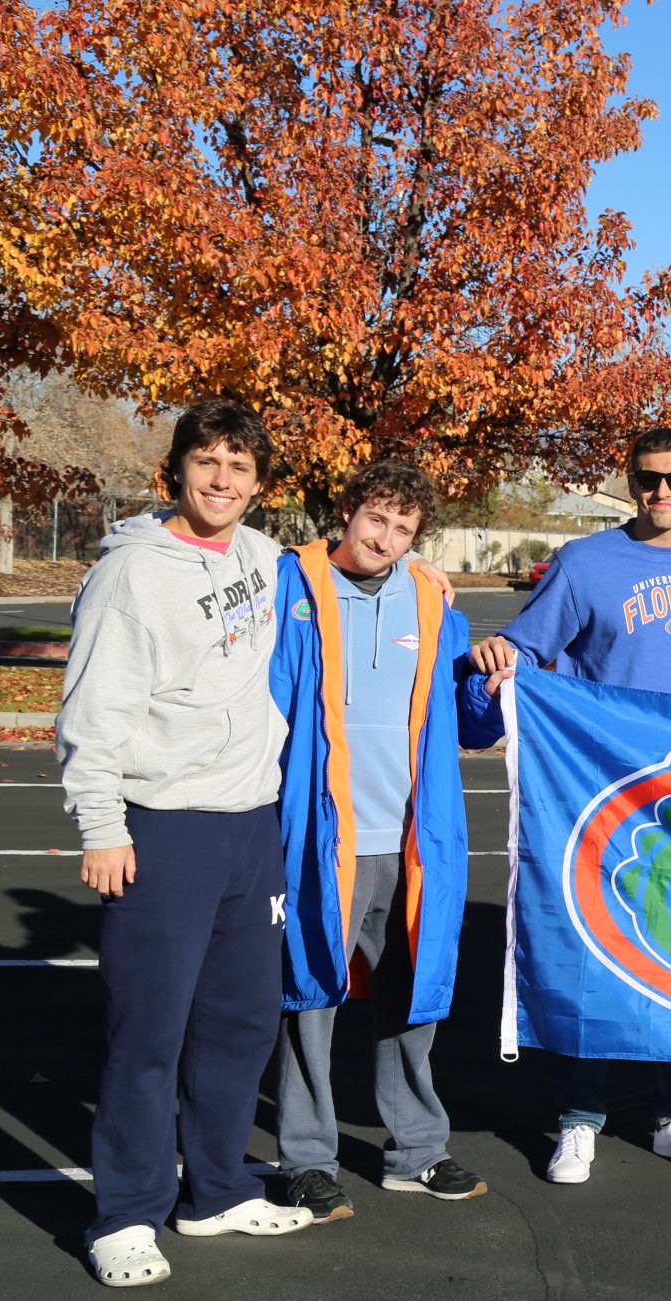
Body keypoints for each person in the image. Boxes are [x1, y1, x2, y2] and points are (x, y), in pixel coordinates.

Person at [60, 399, 314, 1287]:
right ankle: (125, 1215)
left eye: (239, 466)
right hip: (163, 824)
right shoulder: (131, 574)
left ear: (259, 483)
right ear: (176, 470)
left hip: (251, 822)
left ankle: (215, 1190)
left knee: (239, 1025)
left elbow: (351, 565)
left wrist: (418, 571)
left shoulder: (262, 555)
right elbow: (92, 710)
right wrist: (103, 825)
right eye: (206, 461)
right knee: (149, 1031)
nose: (221, 479)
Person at [471, 426, 671, 1183]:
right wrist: (496, 656)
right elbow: (527, 647)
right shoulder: (585, 562)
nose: (663, 491)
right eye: (648, 477)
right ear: (629, 482)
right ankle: (579, 1118)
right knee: (594, 952)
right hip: (603, 788)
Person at [270, 461, 506, 1221]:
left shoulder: (432, 600)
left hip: (412, 838)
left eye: (405, 529)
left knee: (413, 999)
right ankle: (307, 1160)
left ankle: (416, 1151)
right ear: (347, 510)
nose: (386, 538)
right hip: (321, 834)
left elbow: (471, 726)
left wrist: (489, 680)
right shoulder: (290, 584)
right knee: (308, 997)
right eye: (377, 518)